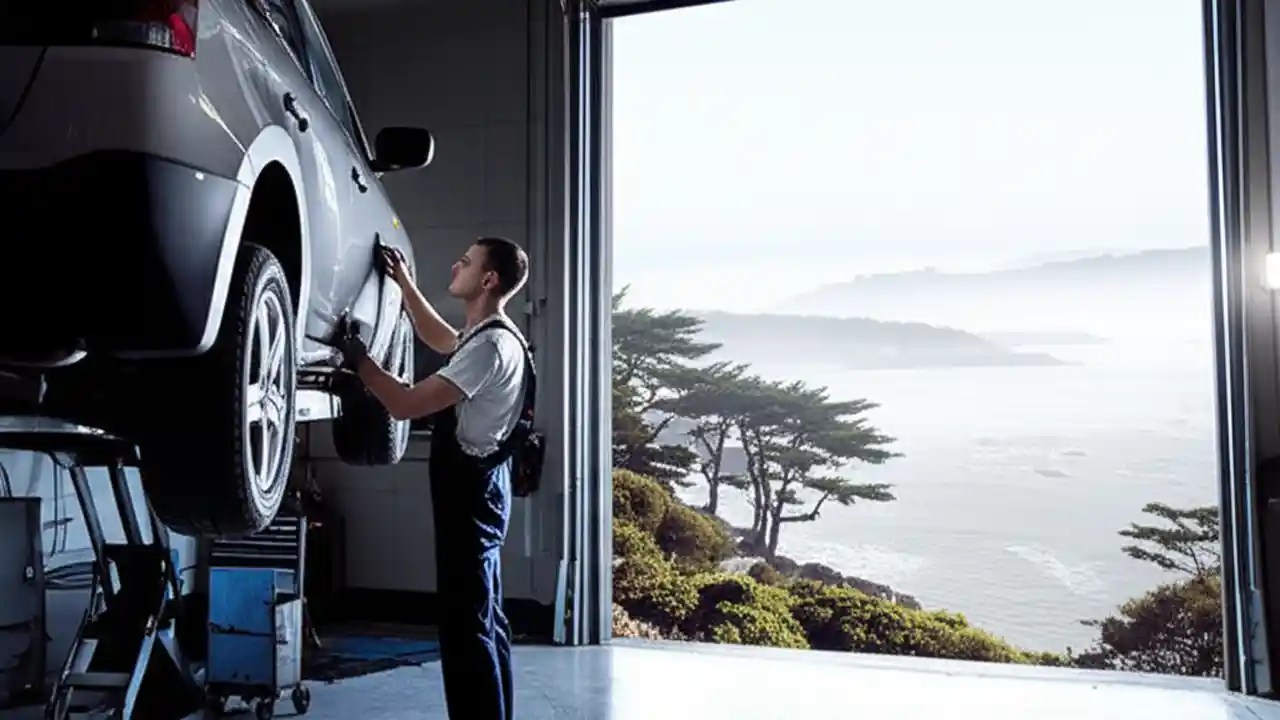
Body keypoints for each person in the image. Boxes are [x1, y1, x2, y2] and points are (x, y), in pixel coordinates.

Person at [339, 236, 531, 720]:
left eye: (465, 262)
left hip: (472, 499)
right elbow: (438, 336)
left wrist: (359, 360)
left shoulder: (489, 348)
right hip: (485, 489)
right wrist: (405, 282)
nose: (455, 264)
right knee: (487, 621)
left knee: (467, 631)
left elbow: (404, 404)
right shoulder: (491, 335)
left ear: (487, 280)